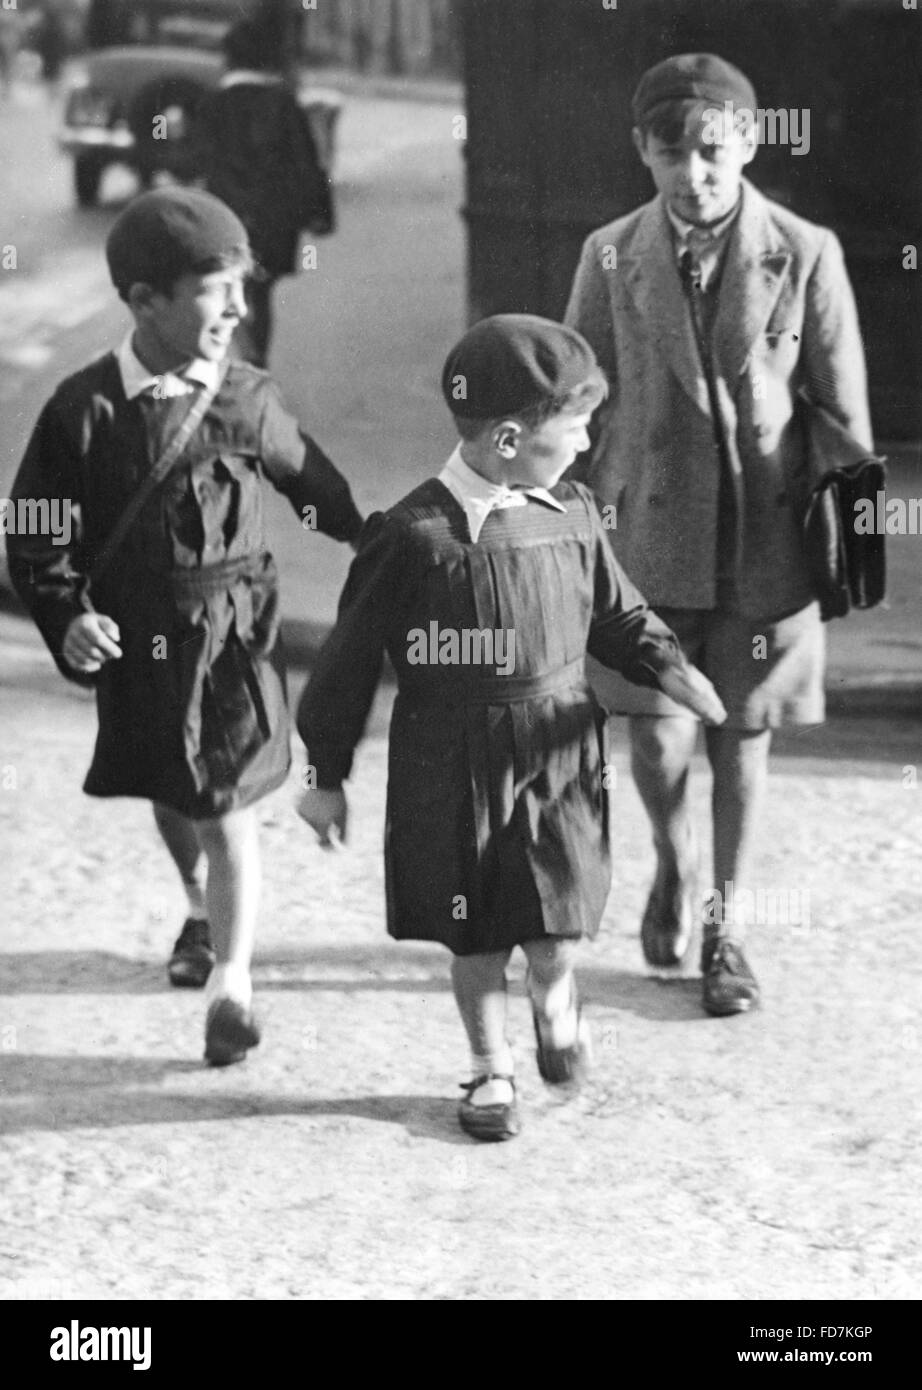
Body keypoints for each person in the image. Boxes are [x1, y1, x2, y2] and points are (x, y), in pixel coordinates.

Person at [296, 314, 726, 1141]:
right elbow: (344, 668)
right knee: (476, 937)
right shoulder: (411, 537)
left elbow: (619, 614)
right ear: (506, 437)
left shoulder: (570, 516)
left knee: (557, 918)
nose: (590, 439)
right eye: (576, 424)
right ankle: (491, 1068)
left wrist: (673, 668)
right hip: (449, 761)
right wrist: (325, 776)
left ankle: (556, 996)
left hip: (558, 747)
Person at [6, 188, 362, 1066]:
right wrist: (65, 613)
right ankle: (199, 906)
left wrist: (384, 542)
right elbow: (35, 530)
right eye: (218, 289)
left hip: (235, 637)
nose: (242, 307)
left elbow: (317, 490)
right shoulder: (82, 409)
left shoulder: (247, 398)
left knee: (229, 803)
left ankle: (231, 985)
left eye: (245, 286)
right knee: (176, 795)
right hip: (139, 637)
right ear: (144, 303)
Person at [565, 54, 873, 1016]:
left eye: (712, 151)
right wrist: (555, 514)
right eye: (671, 153)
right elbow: (577, 396)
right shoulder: (608, 251)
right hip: (645, 535)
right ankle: (674, 857)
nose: (693, 174)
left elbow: (844, 410)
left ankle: (725, 928)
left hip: (765, 543)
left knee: (743, 738)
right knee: (653, 744)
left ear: (746, 143)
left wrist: (850, 537)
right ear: (642, 153)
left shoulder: (804, 248)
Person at [194, 18, 333, 370]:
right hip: (274, 217)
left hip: (226, 216)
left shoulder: (214, 104)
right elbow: (308, 161)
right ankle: (258, 361)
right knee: (263, 289)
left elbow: (196, 160)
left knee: (228, 288)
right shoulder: (284, 103)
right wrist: (319, 213)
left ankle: (247, 352)